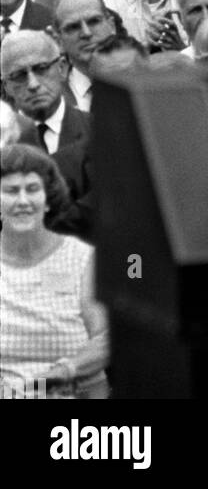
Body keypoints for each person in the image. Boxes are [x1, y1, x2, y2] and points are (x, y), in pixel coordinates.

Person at [0, 143, 109, 397]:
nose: (23, 201)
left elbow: (105, 339)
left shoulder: (82, 258)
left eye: (33, 189)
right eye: (11, 191)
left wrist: (65, 370)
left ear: (48, 200)